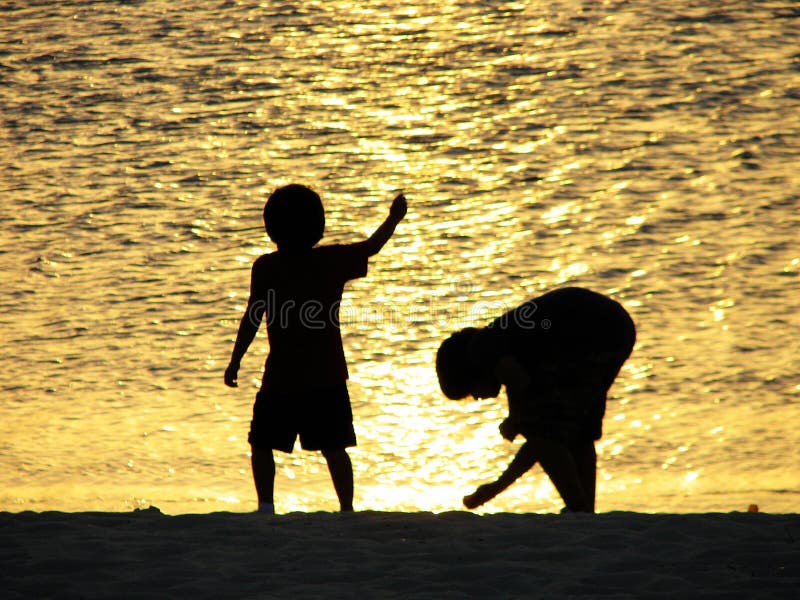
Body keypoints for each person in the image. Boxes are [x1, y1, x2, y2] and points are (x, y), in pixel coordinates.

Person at [225, 184, 407, 514]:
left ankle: (266, 506)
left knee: (263, 443)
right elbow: (372, 247)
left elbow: (252, 316)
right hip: (324, 376)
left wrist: (236, 360)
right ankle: (346, 509)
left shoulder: (266, 267)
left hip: (283, 376)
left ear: (271, 227)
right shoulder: (330, 260)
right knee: (333, 447)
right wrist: (393, 218)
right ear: (318, 226)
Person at [436, 287, 635, 513]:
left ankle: (580, 509)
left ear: (469, 373)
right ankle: (584, 510)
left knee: (545, 427)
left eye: (472, 392)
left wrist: (516, 419)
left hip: (591, 332)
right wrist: (496, 487)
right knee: (578, 430)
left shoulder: (480, 348)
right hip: (617, 328)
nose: (478, 398)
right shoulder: (520, 353)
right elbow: (541, 442)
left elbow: (536, 430)